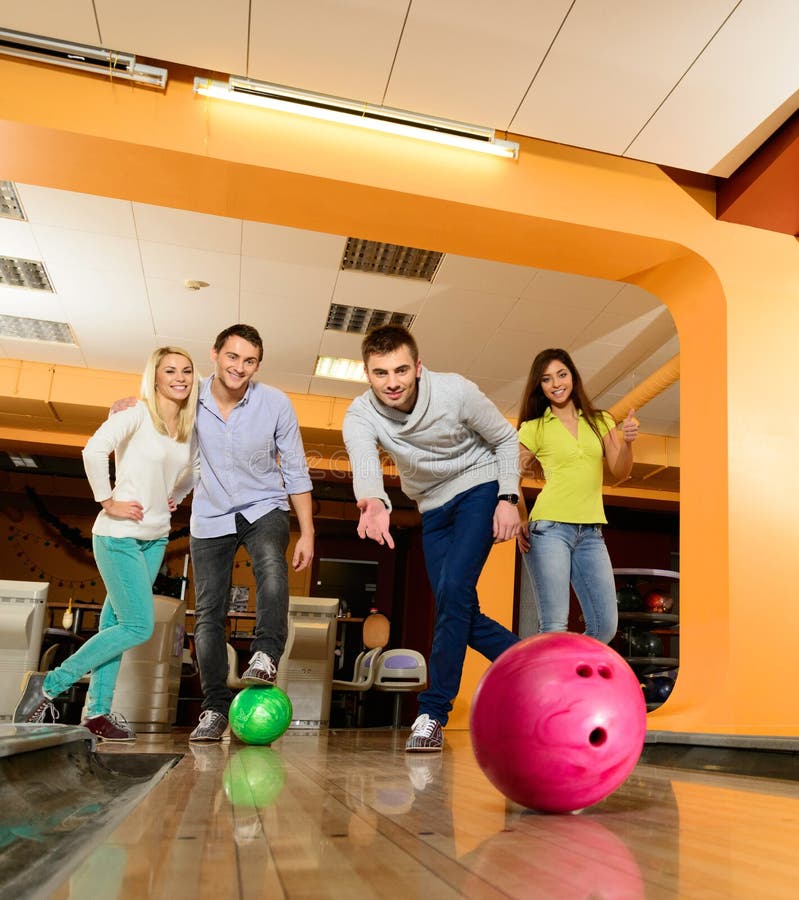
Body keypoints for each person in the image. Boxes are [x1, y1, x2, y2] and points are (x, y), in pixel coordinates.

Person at [342, 325, 521, 753]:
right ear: (367, 374)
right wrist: (373, 500)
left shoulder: (454, 392)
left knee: (454, 591)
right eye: (381, 373)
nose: (392, 382)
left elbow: (505, 439)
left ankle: (432, 713)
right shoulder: (360, 414)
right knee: (456, 606)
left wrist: (508, 497)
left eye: (401, 370)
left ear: (418, 367)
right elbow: (364, 460)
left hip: (478, 486)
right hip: (432, 507)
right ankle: (530, 660)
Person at [14, 346, 201, 741]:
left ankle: (97, 712)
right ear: (155, 377)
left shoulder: (189, 429)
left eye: (186, 370)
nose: (180, 377)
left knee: (115, 626)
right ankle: (49, 684)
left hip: (154, 538)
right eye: (170, 370)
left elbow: (195, 470)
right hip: (118, 536)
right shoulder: (135, 414)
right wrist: (107, 500)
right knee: (137, 626)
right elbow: (93, 450)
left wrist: (176, 495)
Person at [185, 324, 314, 741]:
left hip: (264, 506)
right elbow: (155, 412)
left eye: (250, 361)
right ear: (215, 354)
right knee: (209, 612)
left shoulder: (275, 403)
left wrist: (308, 532)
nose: (240, 367)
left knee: (272, 568)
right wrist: (127, 407)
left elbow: (296, 470)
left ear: (258, 365)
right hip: (210, 515)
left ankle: (265, 654)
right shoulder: (191, 397)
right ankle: (214, 709)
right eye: (233, 357)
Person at [516, 348, 638, 644]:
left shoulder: (600, 421)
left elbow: (619, 471)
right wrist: (520, 517)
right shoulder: (534, 428)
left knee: (605, 626)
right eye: (546, 379)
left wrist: (627, 443)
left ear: (573, 376)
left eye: (561, 374)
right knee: (554, 625)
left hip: (592, 533)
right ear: (539, 386)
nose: (556, 383)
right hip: (549, 530)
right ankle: (553, 675)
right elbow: (509, 477)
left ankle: (570, 668)